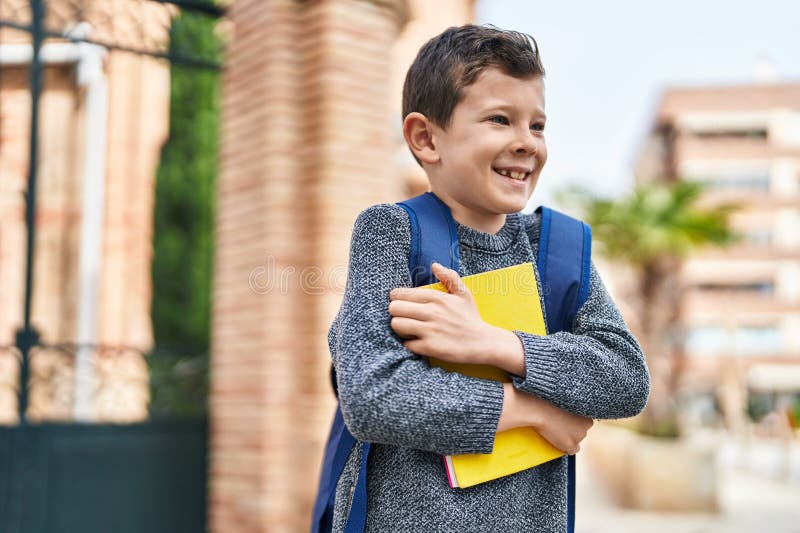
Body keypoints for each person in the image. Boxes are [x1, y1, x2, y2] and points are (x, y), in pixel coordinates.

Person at [327, 24, 650, 532]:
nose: (526, 143)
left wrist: (493, 344)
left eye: (537, 126)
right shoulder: (390, 232)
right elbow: (374, 396)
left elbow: (626, 379)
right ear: (425, 138)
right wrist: (535, 411)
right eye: (500, 119)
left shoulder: (559, 251)